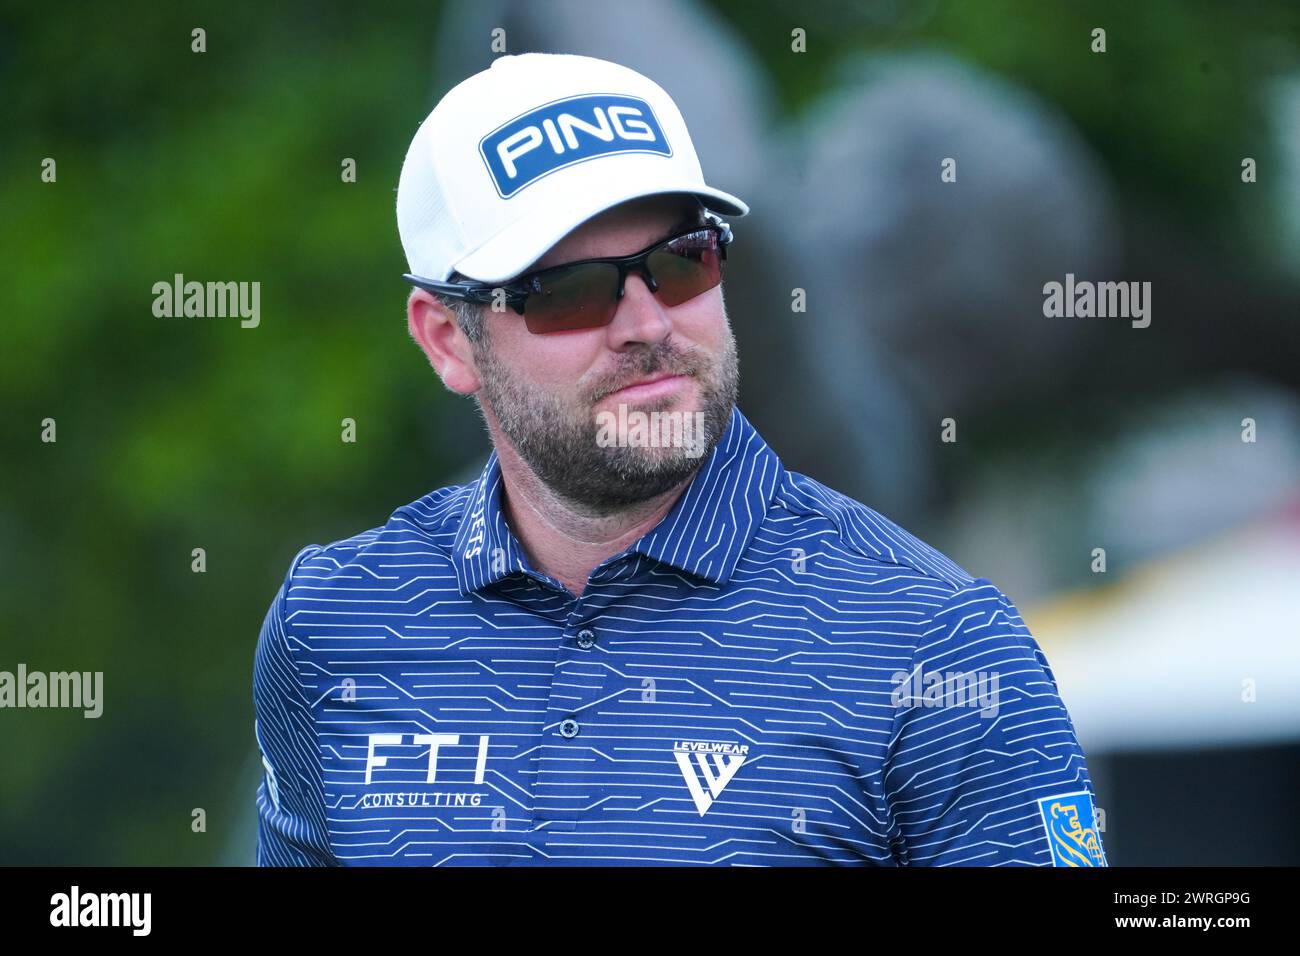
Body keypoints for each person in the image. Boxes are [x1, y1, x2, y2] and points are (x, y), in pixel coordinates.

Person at [253, 52, 1107, 867]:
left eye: (681, 262)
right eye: (569, 291)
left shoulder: (939, 641)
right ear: (447, 339)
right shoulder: (336, 622)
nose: (648, 324)